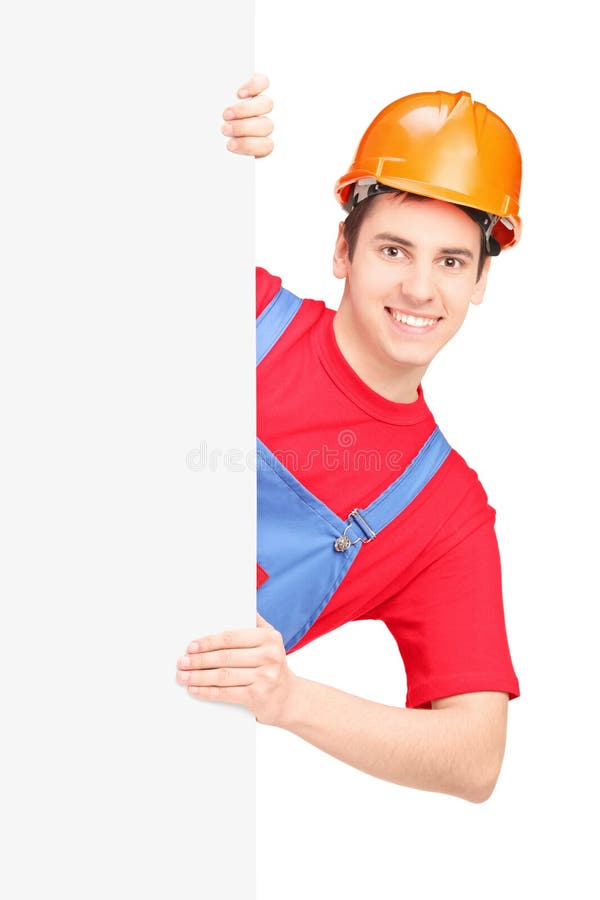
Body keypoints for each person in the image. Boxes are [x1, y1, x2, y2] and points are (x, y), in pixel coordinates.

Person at [176, 74, 522, 804]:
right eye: (394, 250)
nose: (421, 289)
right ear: (343, 249)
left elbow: (476, 757)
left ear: (480, 282)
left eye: (451, 261)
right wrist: (199, 139)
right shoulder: (238, 308)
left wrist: (289, 699)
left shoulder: (444, 513)